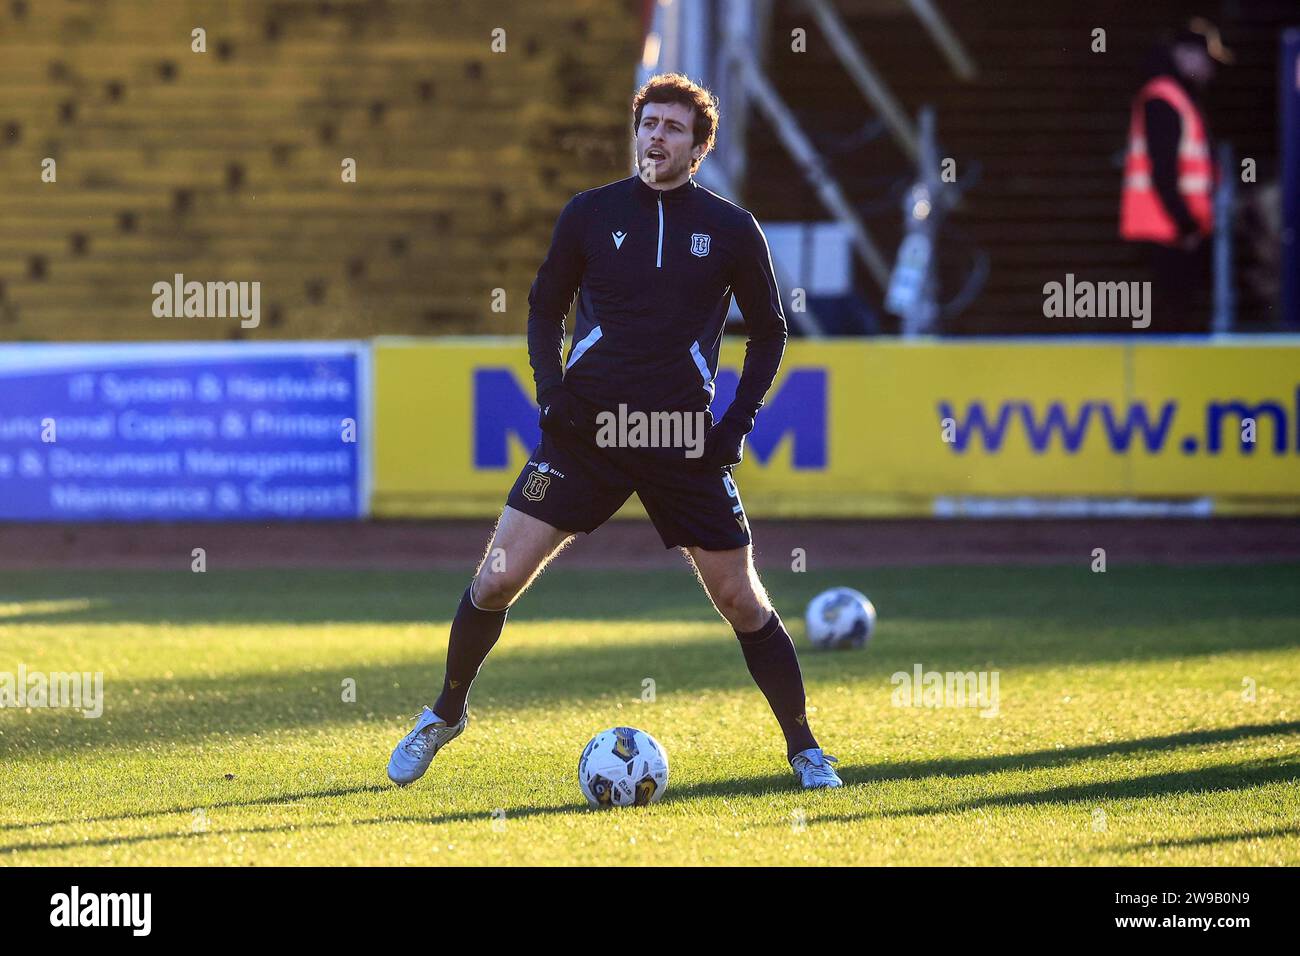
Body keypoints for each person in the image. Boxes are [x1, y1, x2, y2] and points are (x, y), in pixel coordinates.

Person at [386, 73, 843, 791]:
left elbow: (770, 332)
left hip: (681, 440)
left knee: (741, 601)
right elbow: (544, 310)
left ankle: (805, 748)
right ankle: (445, 712)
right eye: (648, 123)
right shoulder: (589, 214)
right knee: (497, 577)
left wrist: (736, 423)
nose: (656, 136)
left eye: (672, 128)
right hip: (585, 436)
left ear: (698, 147)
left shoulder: (729, 227)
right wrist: (552, 393)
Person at [1120, 19, 1234, 332]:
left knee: (1177, 321)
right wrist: (1185, 225)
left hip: (1178, 231)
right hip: (1168, 233)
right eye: (1207, 60)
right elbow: (1164, 170)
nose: (1211, 70)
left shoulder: (1178, 97)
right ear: (1184, 54)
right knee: (1173, 322)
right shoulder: (1164, 98)